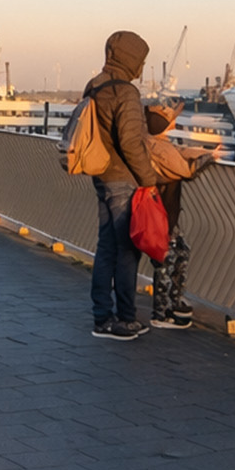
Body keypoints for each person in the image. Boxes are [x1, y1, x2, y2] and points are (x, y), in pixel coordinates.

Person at [82, 32, 159, 341]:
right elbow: (130, 141)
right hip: (122, 180)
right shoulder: (125, 92)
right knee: (127, 250)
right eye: (141, 60)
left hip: (100, 174)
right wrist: (149, 180)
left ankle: (102, 317)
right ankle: (126, 318)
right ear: (132, 59)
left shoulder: (95, 85)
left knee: (106, 248)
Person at [144, 104, 214, 330]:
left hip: (161, 211)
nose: (173, 120)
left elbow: (177, 153)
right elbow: (186, 170)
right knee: (168, 258)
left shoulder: (152, 143)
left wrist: (198, 152)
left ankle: (174, 303)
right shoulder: (160, 148)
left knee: (179, 251)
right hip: (162, 213)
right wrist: (209, 157)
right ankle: (163, 313)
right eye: (169, 118)